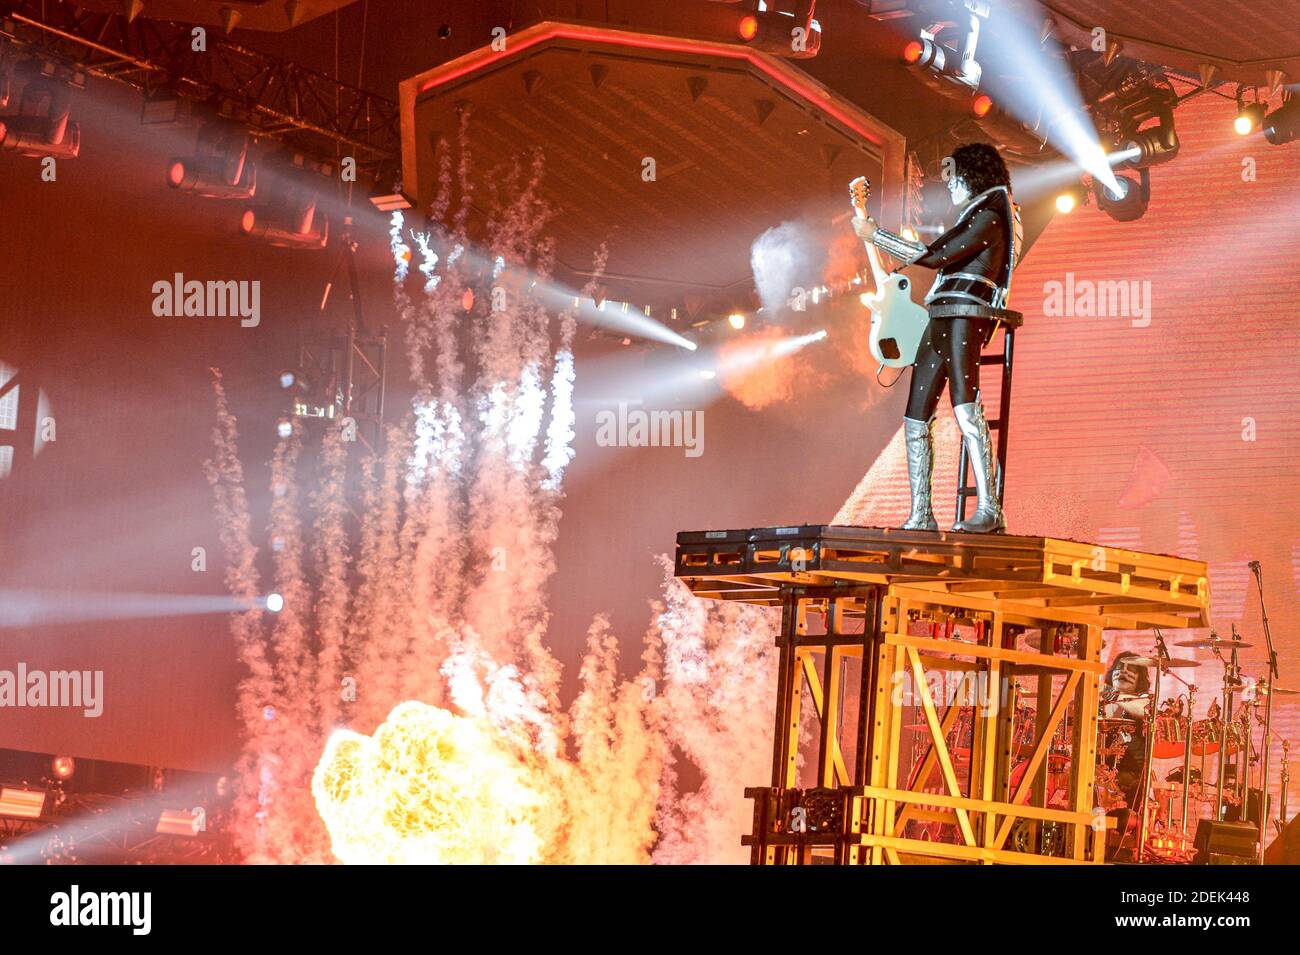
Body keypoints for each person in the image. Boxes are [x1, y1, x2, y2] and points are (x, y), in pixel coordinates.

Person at [853, 142, 1021, 533]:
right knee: (916, 415)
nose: (949, 187)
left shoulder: (992, 217)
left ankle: (990, 510)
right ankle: (921, 513)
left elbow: (933, 255)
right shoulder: (978, 215)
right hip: (942, 313)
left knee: (966, 405)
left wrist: (876, 234)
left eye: (954, 178)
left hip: (964, 313)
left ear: (972, 177)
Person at [1101, 652, 1153, 859]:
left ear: (1141, 679)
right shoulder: (1098, 704)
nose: (1123, 672)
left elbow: (1141, 709)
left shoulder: (1145, 705)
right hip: (1096, 771)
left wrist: (1110, 695)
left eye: (1131, 670)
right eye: (1119, 668)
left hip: (1129, 778)